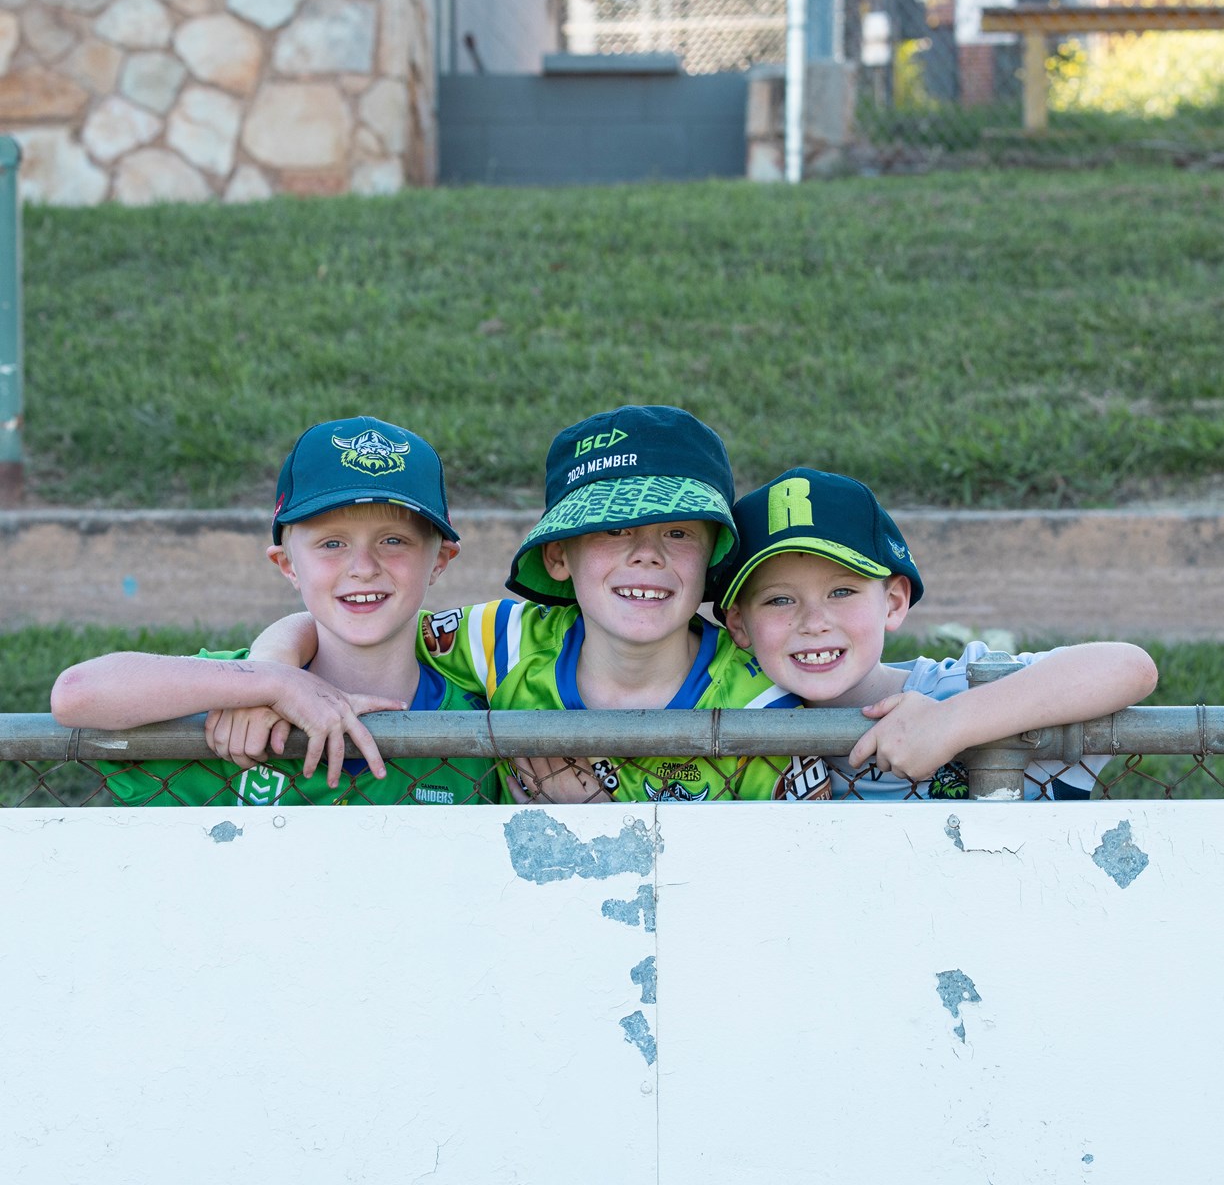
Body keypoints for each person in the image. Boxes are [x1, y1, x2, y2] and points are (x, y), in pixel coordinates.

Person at [228, 405, 831, 804]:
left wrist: (595, 818)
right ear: (559, 558)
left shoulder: (762, 699)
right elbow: (355, 619)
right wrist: (271, 672)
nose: (646, 555)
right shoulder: (503, 639)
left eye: (677, 533)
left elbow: (780, 887)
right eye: (613, 531)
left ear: (713, 556)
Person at [50, 416, 498, 807]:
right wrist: (273, 683)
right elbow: (76, 692)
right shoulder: (235, 690)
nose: (363, 568)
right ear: (287, 565)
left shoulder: (479, 715)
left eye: (393, 540)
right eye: (332, 544)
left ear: (439, 561)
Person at [713, 467, 1160, 800]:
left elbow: (1129, 667)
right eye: (779, 600)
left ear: (893, 602)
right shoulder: (732, 720)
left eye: (842, 591)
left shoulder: (953, 690)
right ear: (738, 623)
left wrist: (952, 723)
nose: (813, 621)